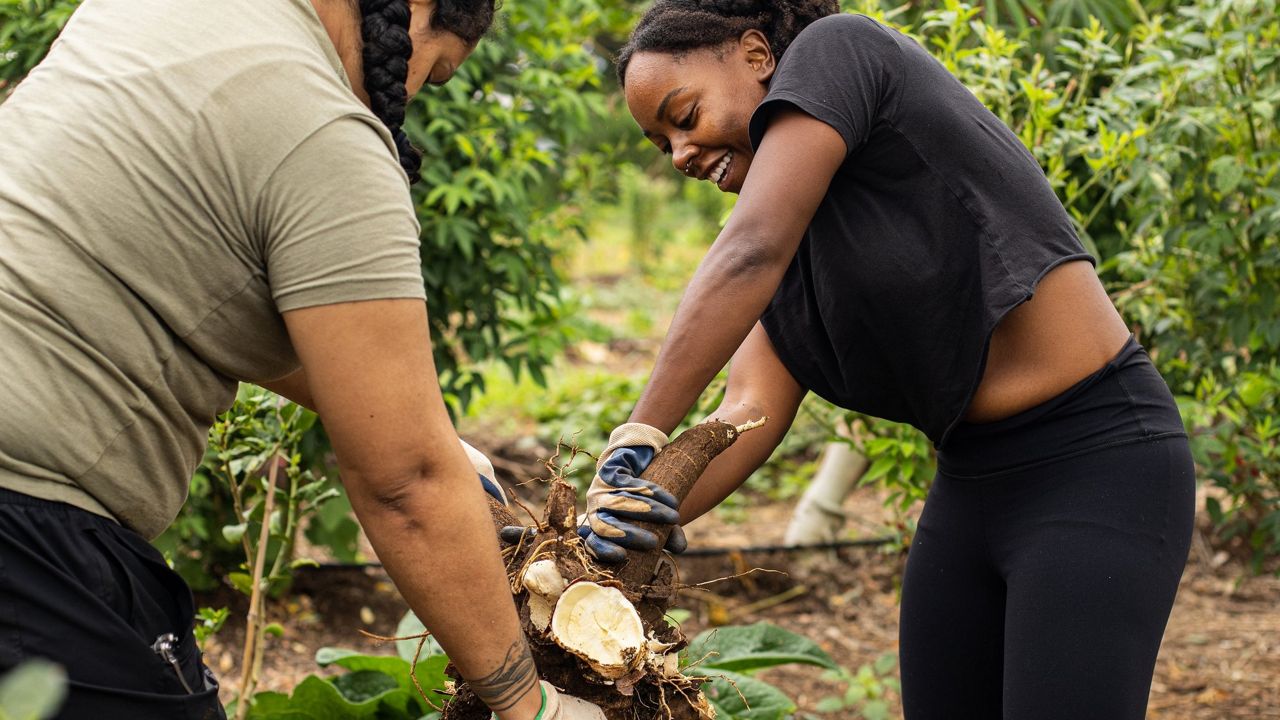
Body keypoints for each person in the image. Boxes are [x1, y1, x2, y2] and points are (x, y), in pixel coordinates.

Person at [578, 2, 1196, 718]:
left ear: (755, 54)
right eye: (663, 146)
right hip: (970, 486)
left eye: (683, 115)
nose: (681, 154)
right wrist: (609, 526)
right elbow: (743, 412)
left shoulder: (842, 49)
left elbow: (749, 249)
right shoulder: (799, 254)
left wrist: (636, 434)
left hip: (1099, 464)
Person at [0, 1, 603, 718]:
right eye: (433, 70)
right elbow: (402, 485)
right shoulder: (324, 131)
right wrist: (530, 706)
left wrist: (441, 441)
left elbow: (165, 279)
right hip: (26, 523)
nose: (408, 94)